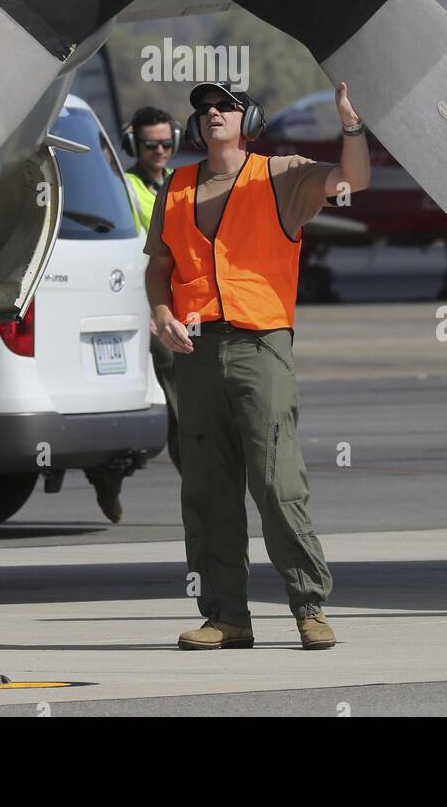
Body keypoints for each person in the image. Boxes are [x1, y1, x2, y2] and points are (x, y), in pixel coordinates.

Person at [144, 79, 370, 651]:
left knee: (276, 481)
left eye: (224, 105)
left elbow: (354, 179)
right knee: (206, 488)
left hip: (260, 345)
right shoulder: (177, 185)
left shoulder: (283, 175)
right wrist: (161, 311)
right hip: (194, 352)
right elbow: (159, 265)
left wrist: (351, 126)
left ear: (250, 118)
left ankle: (309, 607)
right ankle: (226, 617)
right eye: (204, 108)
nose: (212, 113)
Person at [83, 106, 182, 522]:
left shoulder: (179, 184)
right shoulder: (124, 190)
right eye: (149, 144)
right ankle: (108, 475)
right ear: (132, 145)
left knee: (185, 404)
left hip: (175, 304)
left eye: (165, 143)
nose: (159, 151)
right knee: (173, 400)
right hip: (136, 305)